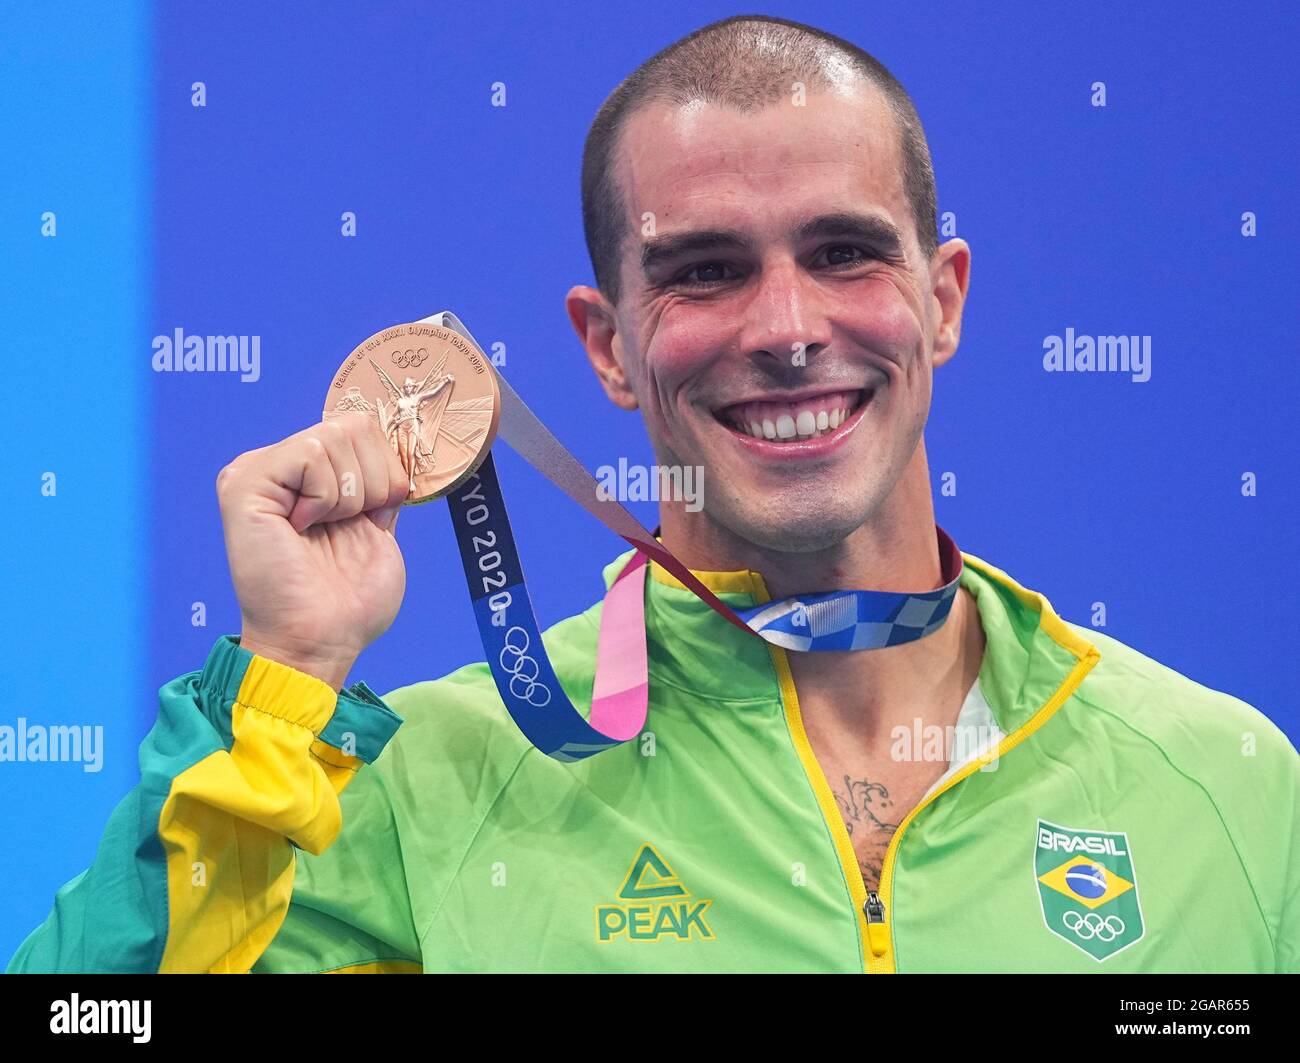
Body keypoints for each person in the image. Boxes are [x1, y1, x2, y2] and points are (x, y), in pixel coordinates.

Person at [9, 14, 1297, 974]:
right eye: (706, 271)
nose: (788, 328)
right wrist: (283, 676)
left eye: (845, 253)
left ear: (942, 296)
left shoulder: (1224, 791)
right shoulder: (440, 796)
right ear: (608, 346)